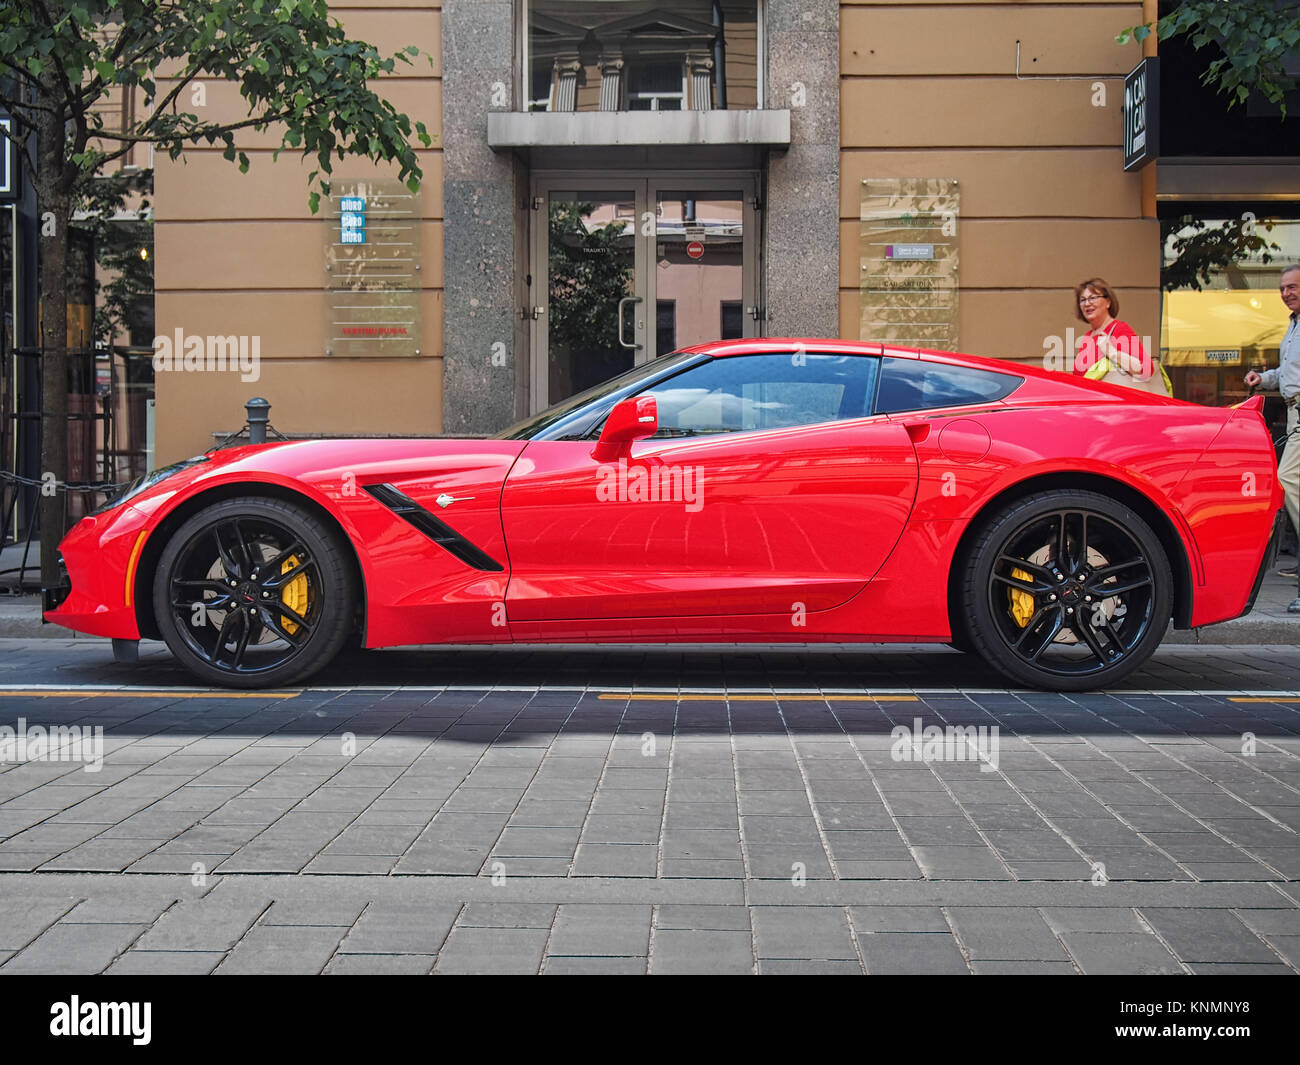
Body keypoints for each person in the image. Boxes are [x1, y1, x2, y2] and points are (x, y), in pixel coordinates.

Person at [1244, 263, 1300, 606]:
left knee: (1287, 478)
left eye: (1292, 287)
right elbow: (1288, 373)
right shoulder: (1293, 327)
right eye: (1282, 288)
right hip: (1294, 409)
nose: (1286, 293)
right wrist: (1262, 379)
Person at [1071, 278, 1159, 386]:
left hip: (1111, 402)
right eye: (1082, 300)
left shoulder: (1119, 329)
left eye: (1092, 298)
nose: (1087, 303)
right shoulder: (1088, 337)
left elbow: (1146, 369)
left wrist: (1113, 353)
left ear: (1108, 302)